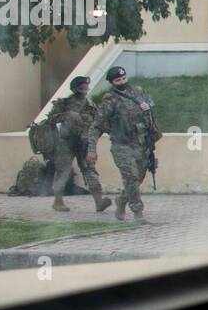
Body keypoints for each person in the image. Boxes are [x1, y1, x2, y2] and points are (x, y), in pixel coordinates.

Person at [86, 66, 161, 222]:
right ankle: (137, 212)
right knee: (131, 178)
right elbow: (96, 126)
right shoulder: (110, 100)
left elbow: (150, 111)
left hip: (141, 144)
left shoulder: (139, 92)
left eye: (123, 78)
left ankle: (121, 201)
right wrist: (91, 149)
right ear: (113, 82)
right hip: (122, 145)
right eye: (118, 80)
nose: (122, 81)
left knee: (138, 178)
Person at [45, 76, 112, 213]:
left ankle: (99, 202)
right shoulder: (64, 103)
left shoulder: (91, 105)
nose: (84, 89)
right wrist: (67, 115)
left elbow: (99, 125)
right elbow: (50, 120)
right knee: (62, 172)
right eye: (81, 87)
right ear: (75, 88)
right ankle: (58, 201)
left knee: (90, 172)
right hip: (66, 143)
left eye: (86, 87)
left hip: (84, 144)